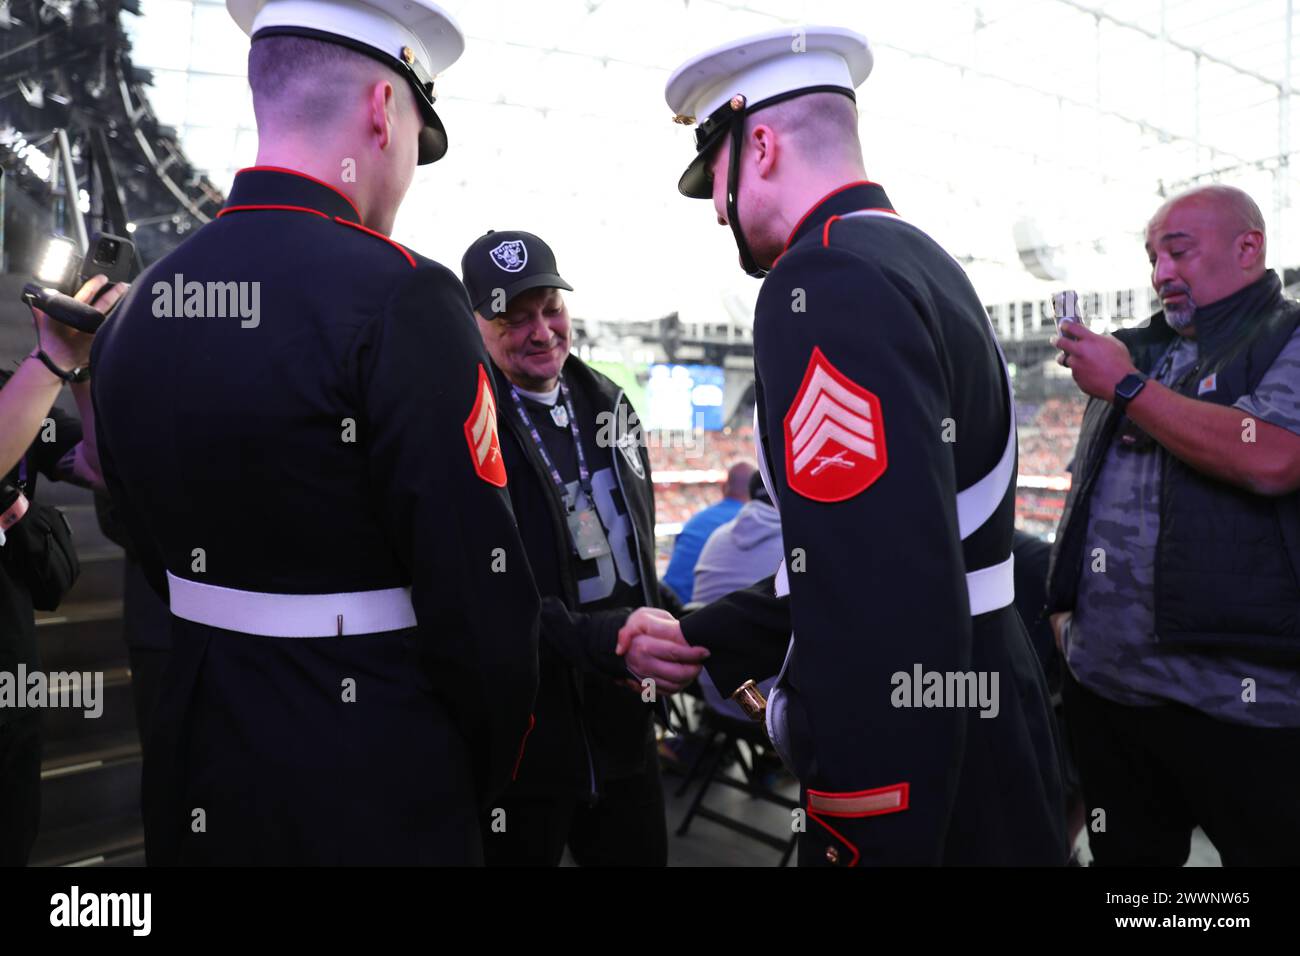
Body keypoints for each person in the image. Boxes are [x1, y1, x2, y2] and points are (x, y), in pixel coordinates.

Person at [89, 0, 539, 864]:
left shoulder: (140, 308)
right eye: (415, 135)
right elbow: (478, 594)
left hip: (197, 771)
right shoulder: (404, 295)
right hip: (373, 780)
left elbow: (145, 542)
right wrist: (472, 774)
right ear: (381, 109)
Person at [641, 25, 1067, 866]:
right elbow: (881, 538)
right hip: (983, 702)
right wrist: (710, 635)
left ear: (758, 145)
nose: (720, 210)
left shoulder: (824, 277)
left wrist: (863, 814)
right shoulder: (916, 254)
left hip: (916, 755)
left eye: (714, 182)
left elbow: (882, 586)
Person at [1046, 184, 1300, 865]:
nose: (1160, 274)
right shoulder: (1141, 349)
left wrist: (1128, 388)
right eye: (1152, 256)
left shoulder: (1289, 336)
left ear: (1249, 247)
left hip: (1243, 709)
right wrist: (1065, 612)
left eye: (1178, 251)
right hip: (1109, 694)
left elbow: (1273, 455)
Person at [460, 229, 706, 866]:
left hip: (624, 726)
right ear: (475, 323)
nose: (542, 331)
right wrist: (603, 641)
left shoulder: (609, 401)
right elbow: (480, 595)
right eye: (514, 318)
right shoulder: (463, 422)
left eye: (551, 308)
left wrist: (670, 625)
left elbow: (633, 556)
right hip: (526, 744)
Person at [0, 275, 126, 866]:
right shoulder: (25, 384)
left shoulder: (13, 391)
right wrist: (51, 358)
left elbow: (103, 467)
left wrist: (87, 371)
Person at [662, 460, 753, 602]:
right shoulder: (751, 522)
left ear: (723, 488)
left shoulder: (695, 520)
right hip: (703, 612)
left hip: (669, 605)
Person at [691, 469, 782, 605]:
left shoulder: (718, 535)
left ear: (750, 496)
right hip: (752, 623)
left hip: (700, 622)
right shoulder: (793, 539)